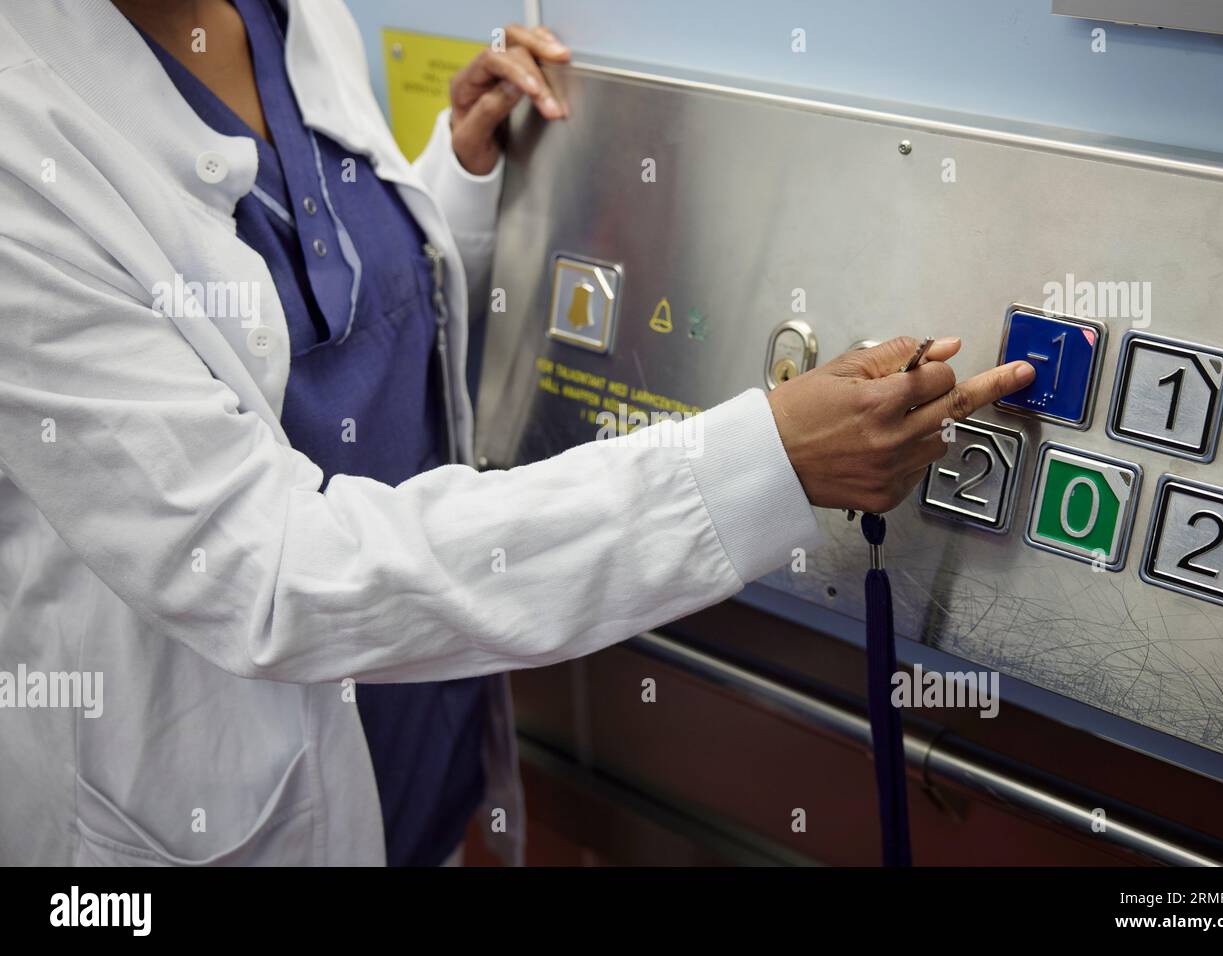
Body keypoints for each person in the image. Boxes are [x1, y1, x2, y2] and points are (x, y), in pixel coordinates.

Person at [0, 0, 1034, 866]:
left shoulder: (291, 13)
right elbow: (267, 568)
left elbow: (327, 327)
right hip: (210, 807)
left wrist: (454, 177)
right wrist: (763, 462)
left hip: (416, 749)